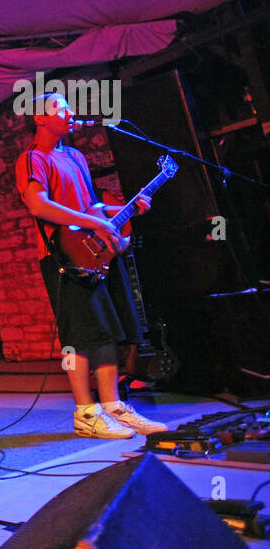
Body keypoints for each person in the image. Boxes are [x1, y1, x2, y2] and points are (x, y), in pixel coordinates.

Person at [15, 93, 169, 439]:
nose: (70, 112)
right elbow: (38, 205)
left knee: (107, 331)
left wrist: (120, 211)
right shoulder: (32, 159)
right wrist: (93, 221)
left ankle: (113, 406)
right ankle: (85, 411)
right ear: (40, 118)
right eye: (61, 107)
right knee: (78, 337)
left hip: (95, 252)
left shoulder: (75, 155)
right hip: (63, 257)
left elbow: (91, 207)